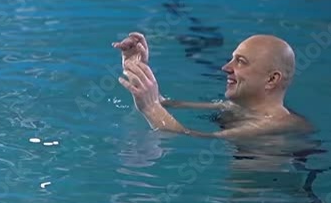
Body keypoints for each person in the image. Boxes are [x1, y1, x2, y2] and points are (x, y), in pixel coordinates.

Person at [112, 32, 313, 139]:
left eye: (240, 62)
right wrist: (136, 67)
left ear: (272, 80)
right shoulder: (237, 107)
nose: (226, 67)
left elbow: (191, 136)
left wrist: (150, 108)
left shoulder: (276, 124)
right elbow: (164, 103)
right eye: (231, 59)